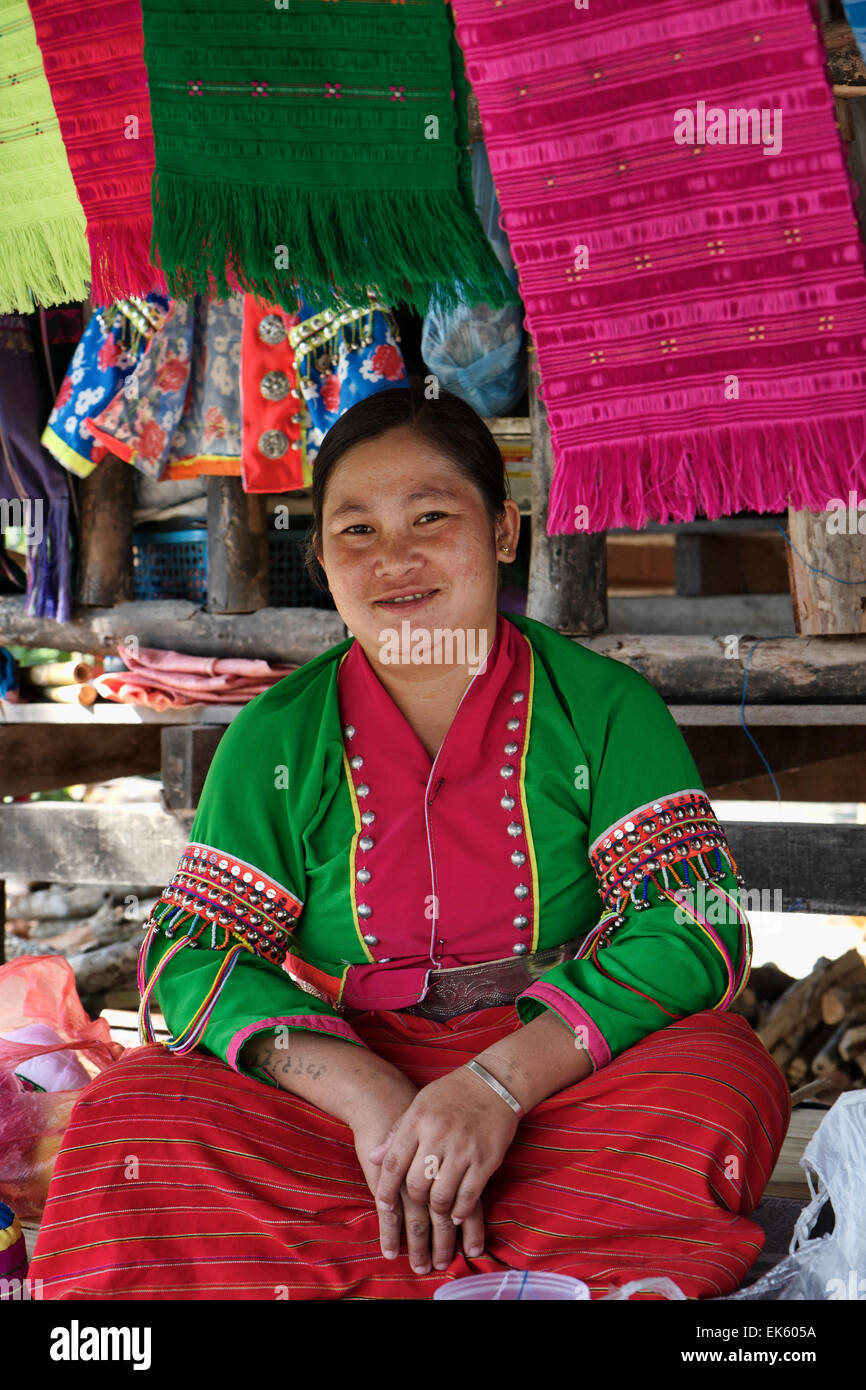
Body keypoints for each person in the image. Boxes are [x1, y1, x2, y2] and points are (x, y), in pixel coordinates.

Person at [31, 384, 790, 1300]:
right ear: (318, 557)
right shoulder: (277, 734)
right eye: (356, 531)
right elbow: (195, 955)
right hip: (337, 1096)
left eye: (431, 515)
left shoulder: (604, 709)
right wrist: (367, 1096)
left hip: (555, 1071)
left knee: (719, 1078)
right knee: (133, 1118)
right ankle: (513, 1265)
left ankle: (351, 1269)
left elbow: (693, 922)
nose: (395, 558)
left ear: (505, 530)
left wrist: (496, 1090)